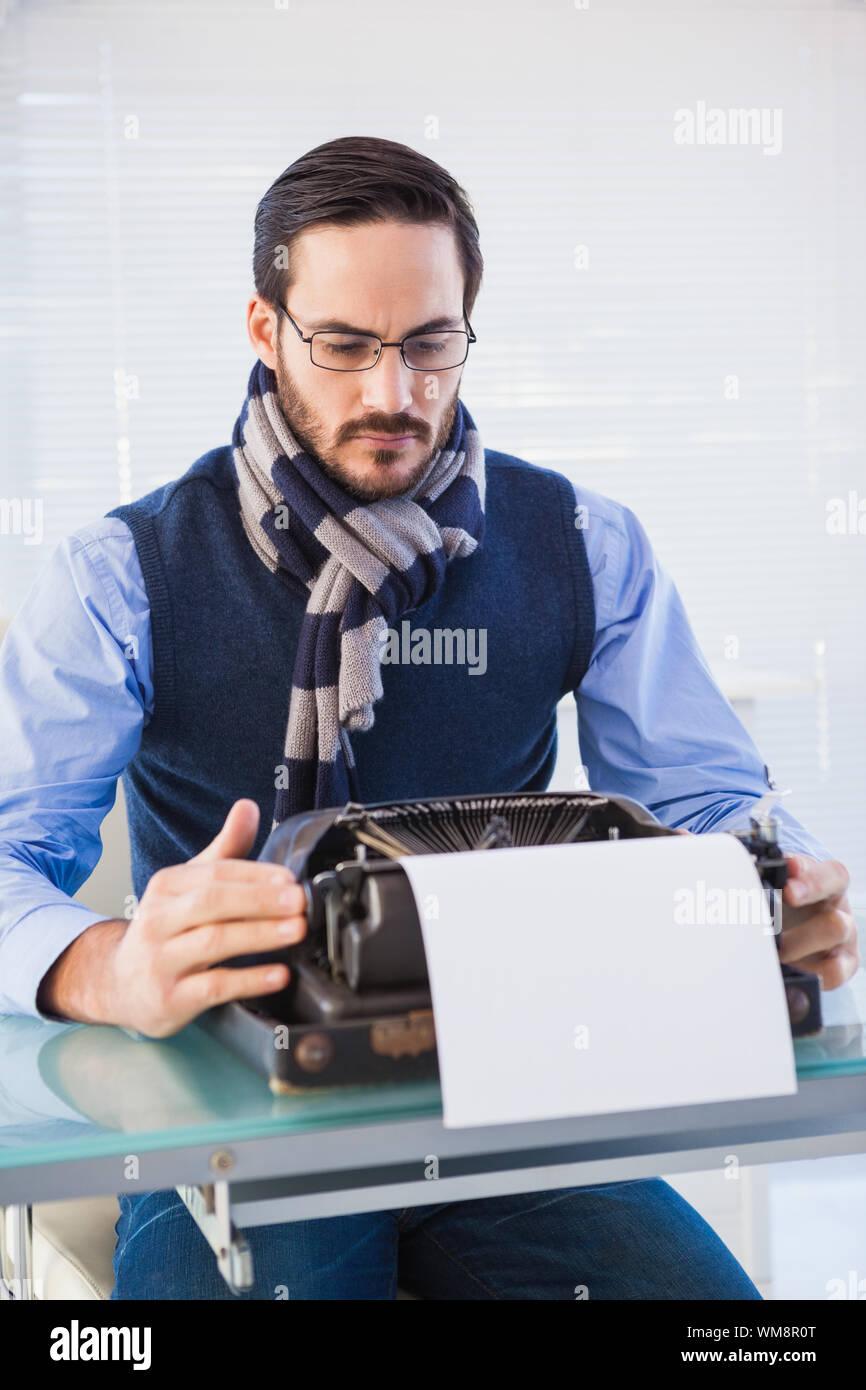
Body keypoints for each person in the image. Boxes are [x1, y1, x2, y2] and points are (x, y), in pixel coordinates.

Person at [0, 135, 857, 1301]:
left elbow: (703, 800)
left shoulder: (582, 544)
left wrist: (774, 882)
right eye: (344, 345)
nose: (391, 393)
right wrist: (108, 965)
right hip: (236, 1119)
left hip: (517, 1090)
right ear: (266, 328)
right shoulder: (120, 572)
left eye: (429, 343)